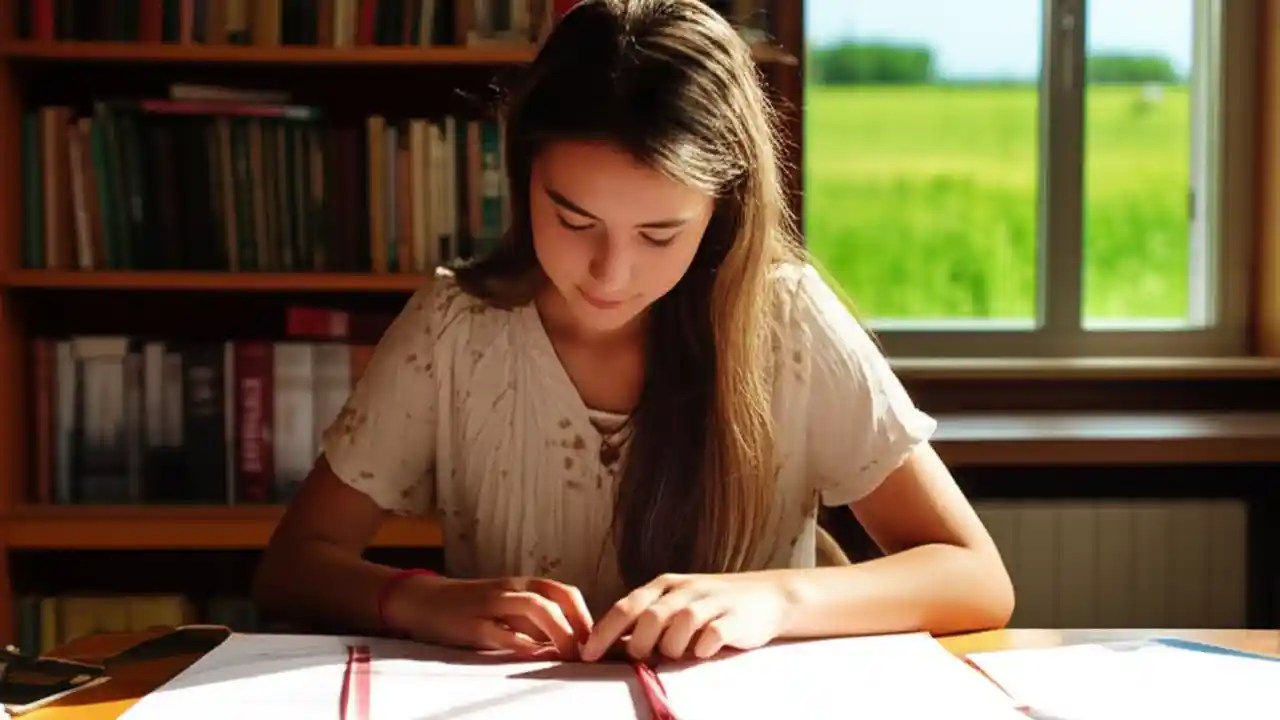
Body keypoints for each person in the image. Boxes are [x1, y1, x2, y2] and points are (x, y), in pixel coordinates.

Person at [253, 0, 1014, 664]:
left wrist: (776, 601)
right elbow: (293, 565)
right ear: (522, 177)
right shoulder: (455, 329)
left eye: (659, 234)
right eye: (573, 219)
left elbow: (974, 577)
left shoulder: (786, 321)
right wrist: (422, 603)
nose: (609, 274)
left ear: (723, 209)